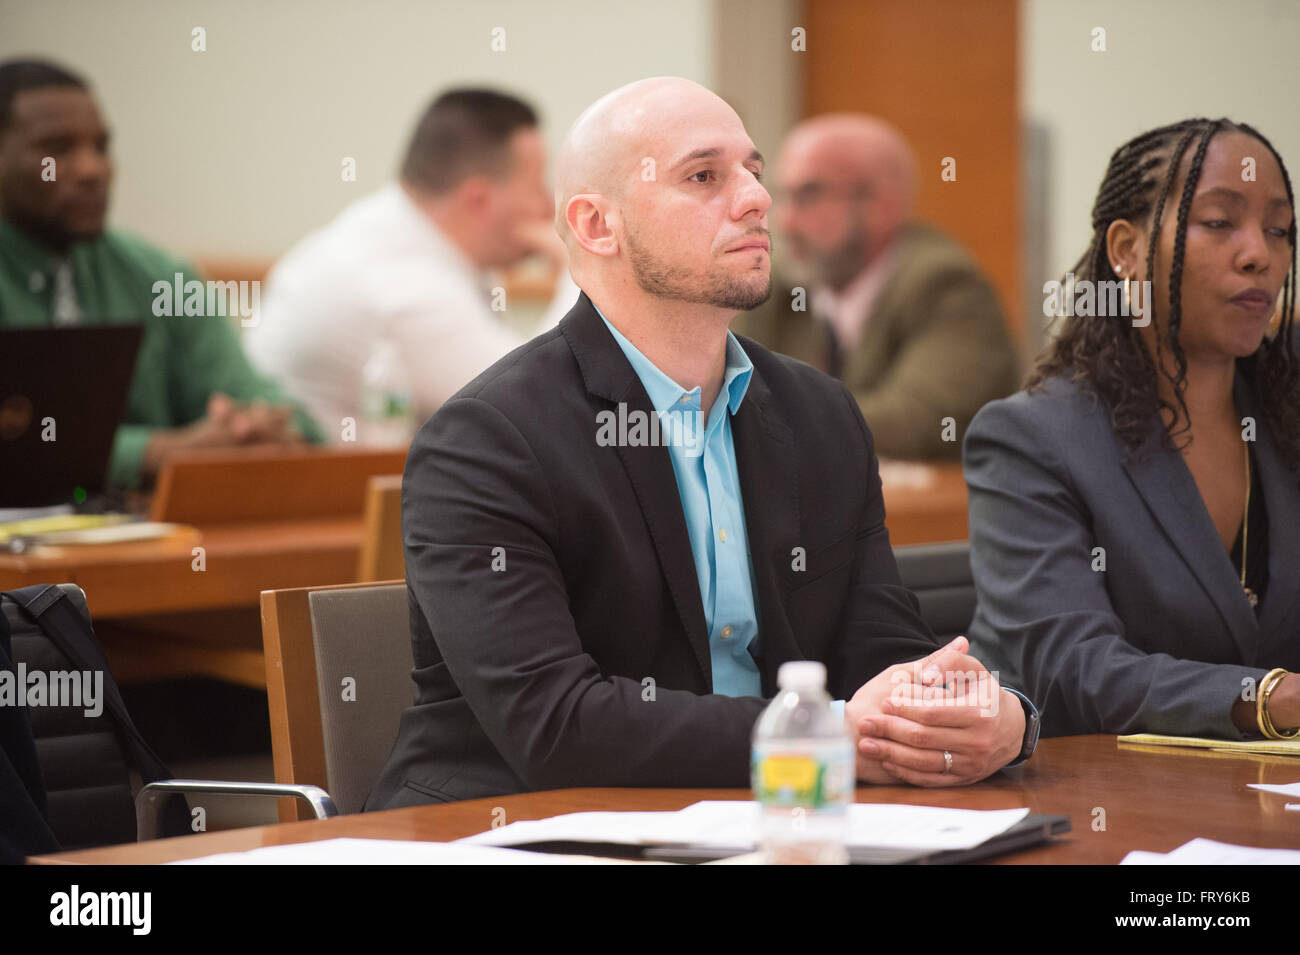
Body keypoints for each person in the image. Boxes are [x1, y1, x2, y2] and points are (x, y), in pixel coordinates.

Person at [366, 78, 1036, 809]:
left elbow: (883, 653)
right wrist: (829, 730)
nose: (756, 199)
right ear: (596, 226)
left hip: (770, 815)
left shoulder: (821, 414)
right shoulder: (486, 441)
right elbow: (556, 724)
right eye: (703, 176)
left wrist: (1000, 717)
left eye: (752, 170)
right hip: (515, 824)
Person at [965, 118, 1300, 740]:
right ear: (1125, 250)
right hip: (1097, 800)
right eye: (1220, 222)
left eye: (1279, 229)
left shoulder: (1283, 418)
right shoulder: (1030, 438)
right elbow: (1075, 670)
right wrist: (1271, 700)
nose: (1259, 253)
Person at [0, 59, 322, 489]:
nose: (92, 169)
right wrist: (157, 452)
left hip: (153, 540)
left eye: (101, 147)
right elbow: (17, 444)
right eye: (57, 149)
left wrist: (260, 428)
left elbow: (275, 409)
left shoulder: (161, 276)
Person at [245, 88, 578, 442]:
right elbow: (539, 410)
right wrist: (579, 264)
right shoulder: (402, 285)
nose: (548, 206)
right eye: (537, 187)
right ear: (478, 200)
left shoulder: (385, 232)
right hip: (325, 493)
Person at [732, 115, 1019, 460]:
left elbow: (918, 422)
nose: (786, 221)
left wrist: (756, 420)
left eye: (809, 195)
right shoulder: (778, 285)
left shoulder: (944, 284)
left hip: (931, 510)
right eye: (783, 196)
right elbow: (721, 386)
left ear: (882, 207)